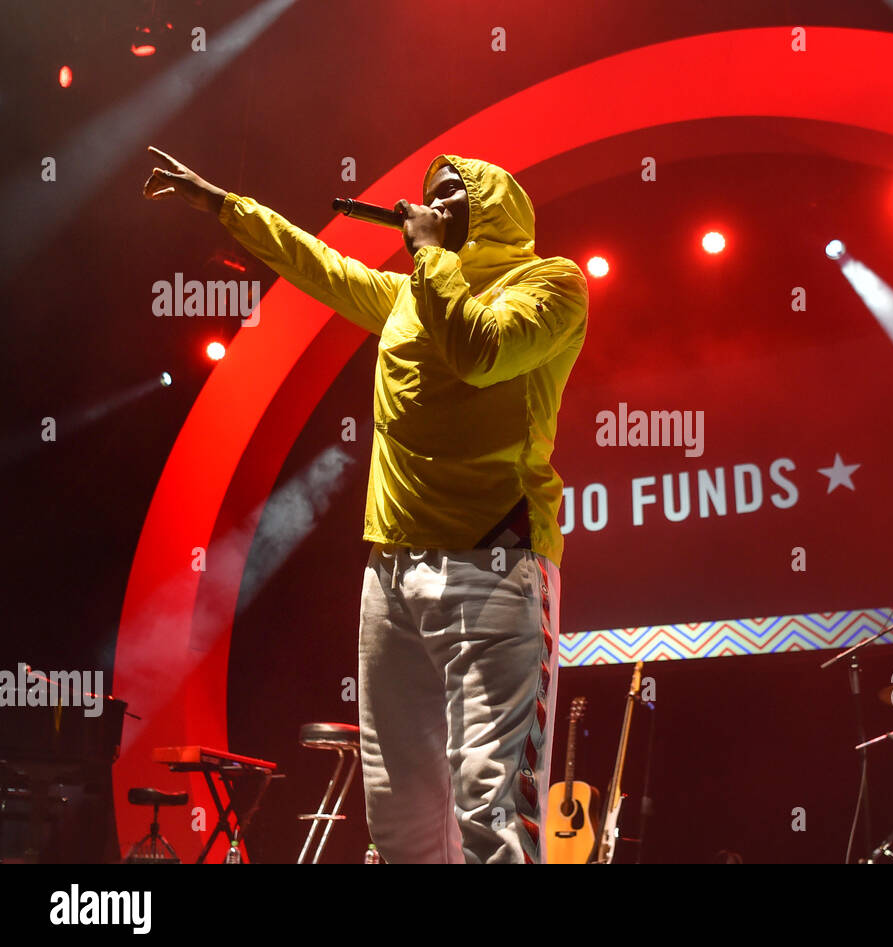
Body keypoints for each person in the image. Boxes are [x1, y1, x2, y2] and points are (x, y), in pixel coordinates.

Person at [143, 146, 588, 863]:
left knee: (492, 802)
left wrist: (433, 256)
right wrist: (225, 204)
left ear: (491, 210)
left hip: (496, 561)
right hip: (392, 573)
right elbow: (317, 267)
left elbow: (481, 353)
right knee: (399, 809)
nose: (433, 207)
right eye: (431, 197)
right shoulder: (410, 291)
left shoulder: (552, 284)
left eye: (452, 197)